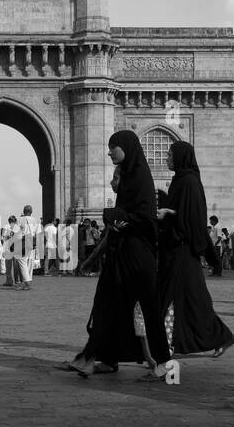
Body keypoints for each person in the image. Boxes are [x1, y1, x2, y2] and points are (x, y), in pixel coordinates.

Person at [60, 130, 172, 381]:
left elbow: (146, 219)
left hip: (137, 257)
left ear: (127, 148)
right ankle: (100, 359)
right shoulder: (131, 177)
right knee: (107, 306)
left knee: (148, 309)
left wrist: (114, 215)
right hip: (122, 255)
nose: (109, 152)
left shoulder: (140, 177)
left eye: (114, 147)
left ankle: (163, 363)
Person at [156, 141, 234, 357]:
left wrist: (169, 213)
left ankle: (167, 347)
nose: (167, 158)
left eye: (170, 154)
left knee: (175, 298)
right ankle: (218, 336)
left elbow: (192, 219)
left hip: (182, 251)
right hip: (175, 250)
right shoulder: (180, 181)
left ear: (182, 157)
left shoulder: (189, 182)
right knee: (193, 300)